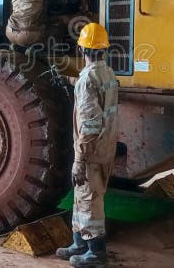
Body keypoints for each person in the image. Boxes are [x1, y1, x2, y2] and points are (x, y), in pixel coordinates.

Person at [56, 23, 119, 267]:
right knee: (84, 196)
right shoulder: (108, 74)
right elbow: (94, 92)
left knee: (90, 198)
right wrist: (70, 79)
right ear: (103, 49)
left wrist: (79, 160)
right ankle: (79, 243)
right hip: (106, 146)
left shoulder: (87, 82)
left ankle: (96, 252)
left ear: (81, 49)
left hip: (91, 150)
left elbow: (90, 126)